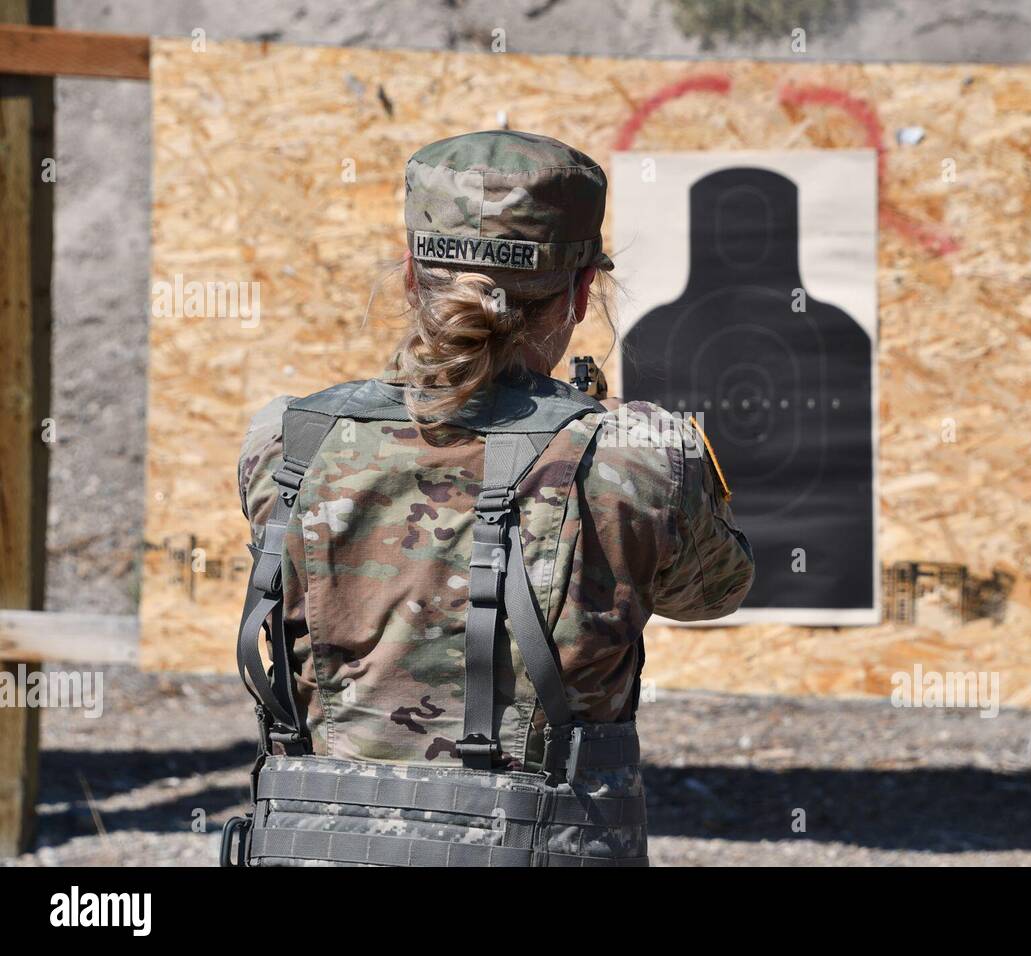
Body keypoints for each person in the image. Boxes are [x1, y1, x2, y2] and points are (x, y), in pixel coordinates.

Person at [226, 129, 754, 867]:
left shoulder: (287, 439)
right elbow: (715, 592)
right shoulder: (632, 453)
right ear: (578, 293)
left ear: (412, 276)